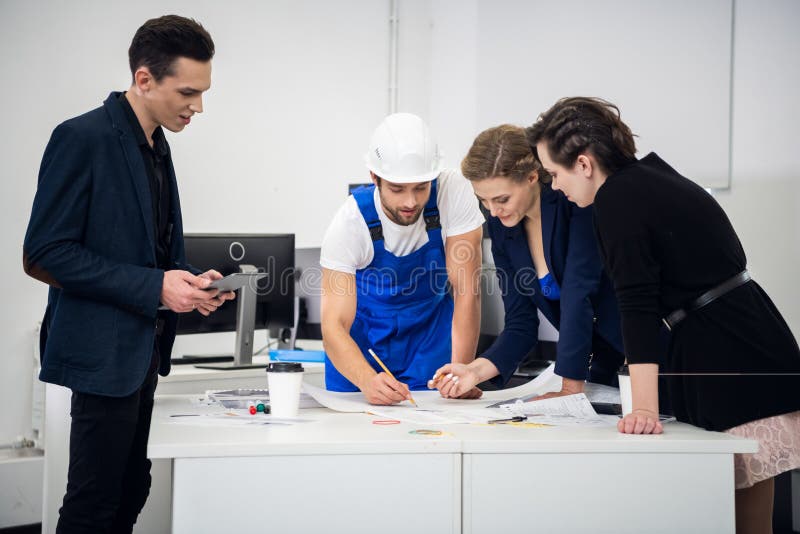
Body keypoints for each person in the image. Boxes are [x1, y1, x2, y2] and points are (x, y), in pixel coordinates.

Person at [527, 96, 800, 534]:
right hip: (746, 338)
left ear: (583, 164)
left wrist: (645, 409)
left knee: (732, 506)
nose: (554, 186)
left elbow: (637, 302)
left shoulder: (617, 198)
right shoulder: (650, 176)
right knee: (747, 506)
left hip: (729, 351)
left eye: (554, 174)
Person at [23, 15, 234, 533]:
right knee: (93, 505)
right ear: (144, 79)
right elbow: (44, 252)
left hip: (141, 351)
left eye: (203, 92)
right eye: (188, 91)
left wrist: (184, 281)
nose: (198, 106)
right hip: (100, 355)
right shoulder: (82, 137)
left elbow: (145, 253)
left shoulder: (157, 146)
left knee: (131, 487)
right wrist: (154, 286)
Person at [429, 125, 625, 399]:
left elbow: (578, 294)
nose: (493, 212)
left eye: (502, 199)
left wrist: (569, 389)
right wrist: (474, 371)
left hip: (645, 353)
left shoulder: (574, 202)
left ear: (532, 176)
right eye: (483, 201)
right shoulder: (503, 228)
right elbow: (520, 323)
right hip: (600, 366)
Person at [320, 112, 484, 404]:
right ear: (374, 177)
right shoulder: (348, 225)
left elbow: (466, 292)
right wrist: (366, 380)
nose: (410, 202)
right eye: (397, 189)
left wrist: (461, 371)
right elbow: (333, 325)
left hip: (429, 344)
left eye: (422, 187)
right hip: (361, 348)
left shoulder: (453, 192)